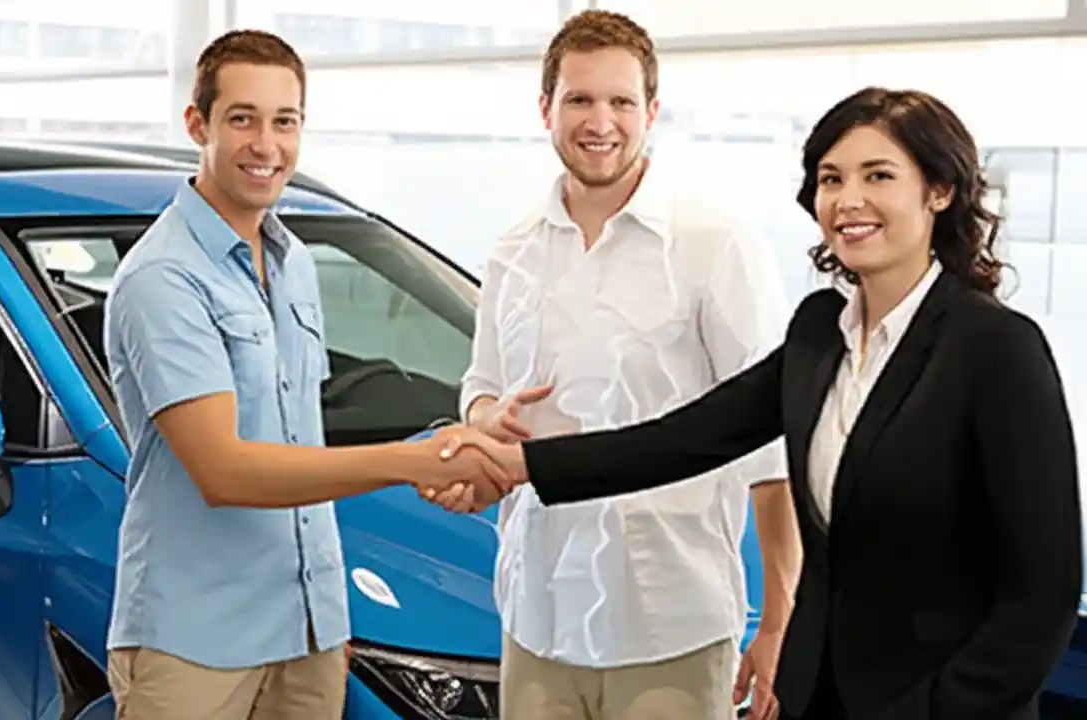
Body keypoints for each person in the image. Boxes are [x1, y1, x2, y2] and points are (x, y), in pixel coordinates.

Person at [445, 86, 1083, 720]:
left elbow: (1044, 591)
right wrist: (519, 465)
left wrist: (946, 708)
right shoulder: (819, 332)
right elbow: (681, 440)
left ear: (938, 191)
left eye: (878, 175)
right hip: (820, 695)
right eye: (831, 178)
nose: (848, 200)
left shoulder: (996, 349)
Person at [102, 29, 509, 719]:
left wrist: (325, 613)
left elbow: (300, 434)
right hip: (196, 642)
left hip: (305, 634)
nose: (267, 145)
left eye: (285, 121)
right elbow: (225, 470)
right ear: (197, 123)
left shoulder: (292, 262)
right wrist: (410, 462)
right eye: (243, 119)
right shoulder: (164, 277)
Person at [432, 9, 802, 720]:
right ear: (546, 108)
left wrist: (781, 622)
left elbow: (770, 448)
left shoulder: (716, 243)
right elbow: (479, 387)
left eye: (620, 101)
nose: (599, 121)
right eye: (579, 99)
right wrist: (486, 418)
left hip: (670, 622)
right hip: (536, 611)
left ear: (652, 112)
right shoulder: (514, 247)